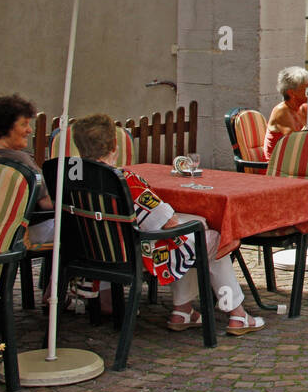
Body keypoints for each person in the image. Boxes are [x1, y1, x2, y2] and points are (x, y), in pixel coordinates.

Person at [71, 114, 264, 336]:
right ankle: (237, 314)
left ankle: (183, 311)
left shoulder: (73, 176)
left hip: (97, 250)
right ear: (115, 145)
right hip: (137, 254)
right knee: (215, 240)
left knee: (195, 230)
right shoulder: (123, 179)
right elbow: (168, 222)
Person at [0, 94, 54, 244]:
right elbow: (47, 203)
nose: (29, 130)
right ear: (5, 127)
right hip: (22, 230)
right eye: (24, 124)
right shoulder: (18, 160)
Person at [264, 66, 308, 159]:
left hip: (292, 162)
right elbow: (296, 144)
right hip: (277, 168)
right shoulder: (282, 111)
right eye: (305, 90)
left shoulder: (301, 109)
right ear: (291, 93)